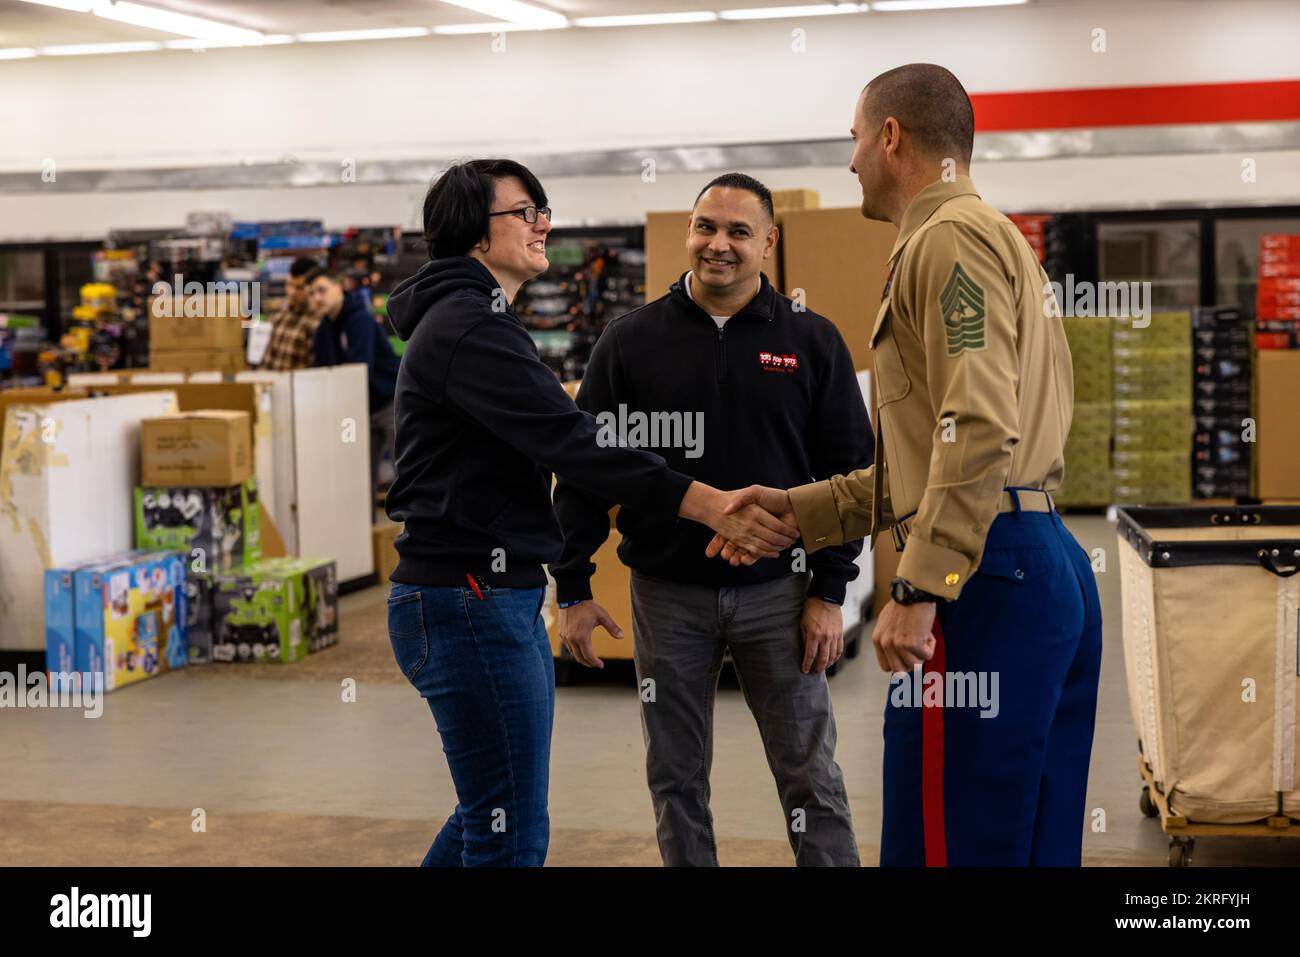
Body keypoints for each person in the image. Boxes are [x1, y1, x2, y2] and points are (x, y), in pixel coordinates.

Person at [710, 64, 1103, 867]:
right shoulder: (992, 237)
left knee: (948, 838)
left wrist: (920, 586)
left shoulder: (947, 239)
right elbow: (935, 452)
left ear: (891, 137)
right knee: (1022, 836)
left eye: (855, 139)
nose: (850, 161)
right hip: (1031, 555)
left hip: (984, 572)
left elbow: (979, 426)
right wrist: (799, 508)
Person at [383, 158, 799, 867]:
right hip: (468, 599)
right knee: (509, 828)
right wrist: (708, 503)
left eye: (542, 209)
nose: (542, 223)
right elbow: (579, 444)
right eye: (524, 212)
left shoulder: (476, 319)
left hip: (474, 595)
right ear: (473, 233)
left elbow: (563, 438)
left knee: (486, 813)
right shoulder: (469, 325)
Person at [552, 172, 870, 867]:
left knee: (810, 775)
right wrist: (572, 587)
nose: (717, 244)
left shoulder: (812, 341)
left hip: (780, 597)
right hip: (667, 597)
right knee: (675, 777)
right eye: (705, 227)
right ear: (688, 232)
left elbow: (852, 477)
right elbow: (585, 468)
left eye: (737, 231)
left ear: (768, 242)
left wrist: (828, 591)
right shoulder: (630, 340)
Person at [306, 266, 401, 513]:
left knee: (406, 474)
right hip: (357, 410)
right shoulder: (324, 330)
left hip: (389, 402)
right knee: (359, 478)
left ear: (340, 286)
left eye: (322, 290)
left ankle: (417, 536)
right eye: (311, 294)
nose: (317, 298)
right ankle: (366, 538)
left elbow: (360, 371)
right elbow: (322, 374)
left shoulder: (360, 319)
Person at [258, 257, 320, 371]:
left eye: (299, 288)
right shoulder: (282, 314)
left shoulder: (316, 323)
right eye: (289, 285)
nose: (292, 292)